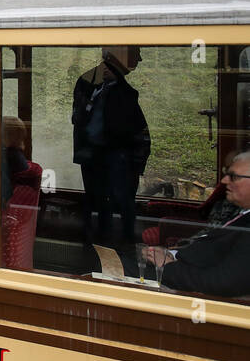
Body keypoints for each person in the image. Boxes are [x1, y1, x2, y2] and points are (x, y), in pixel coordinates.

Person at [141, 152, 250, 298]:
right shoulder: (243, 214)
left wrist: (166, 266)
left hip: (180, 289)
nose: (224, 181)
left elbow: (222, 283)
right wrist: (170, 253)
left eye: (234, 176)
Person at [72, 46, 150, 249]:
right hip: (107, 160)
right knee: (110, 208)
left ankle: (108, 250)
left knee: (112, 208)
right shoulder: (93, 83)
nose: (139, 59)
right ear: (119, 53)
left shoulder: (114, 86)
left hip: (106, 159)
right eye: (135, 53)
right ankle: (106, 254)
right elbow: (81, 119)